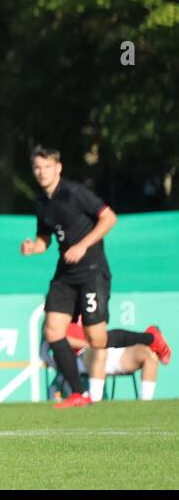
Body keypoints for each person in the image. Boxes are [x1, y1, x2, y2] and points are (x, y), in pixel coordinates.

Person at [21, 145, 118, 407]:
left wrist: (83, 245)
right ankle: (78, 394)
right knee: (52, 330)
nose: (42, 172)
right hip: (65, 273)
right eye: (37, 168)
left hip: (91, 270)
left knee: (96, 339)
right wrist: (34, 248)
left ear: (58, 167)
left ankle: (150, 338)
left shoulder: (75, 193)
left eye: (47, 166)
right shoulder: (41, 201)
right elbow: (45, 239)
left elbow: (109, 218)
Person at [43, 319, 170, 401]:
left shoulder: (91, 310)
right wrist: (89, 344)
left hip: (109, 349)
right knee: (99, 349)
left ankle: (146, 404)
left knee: (149, 354)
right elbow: (60, 340)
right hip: (83, 355)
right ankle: (95, 402)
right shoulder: (60, 317)